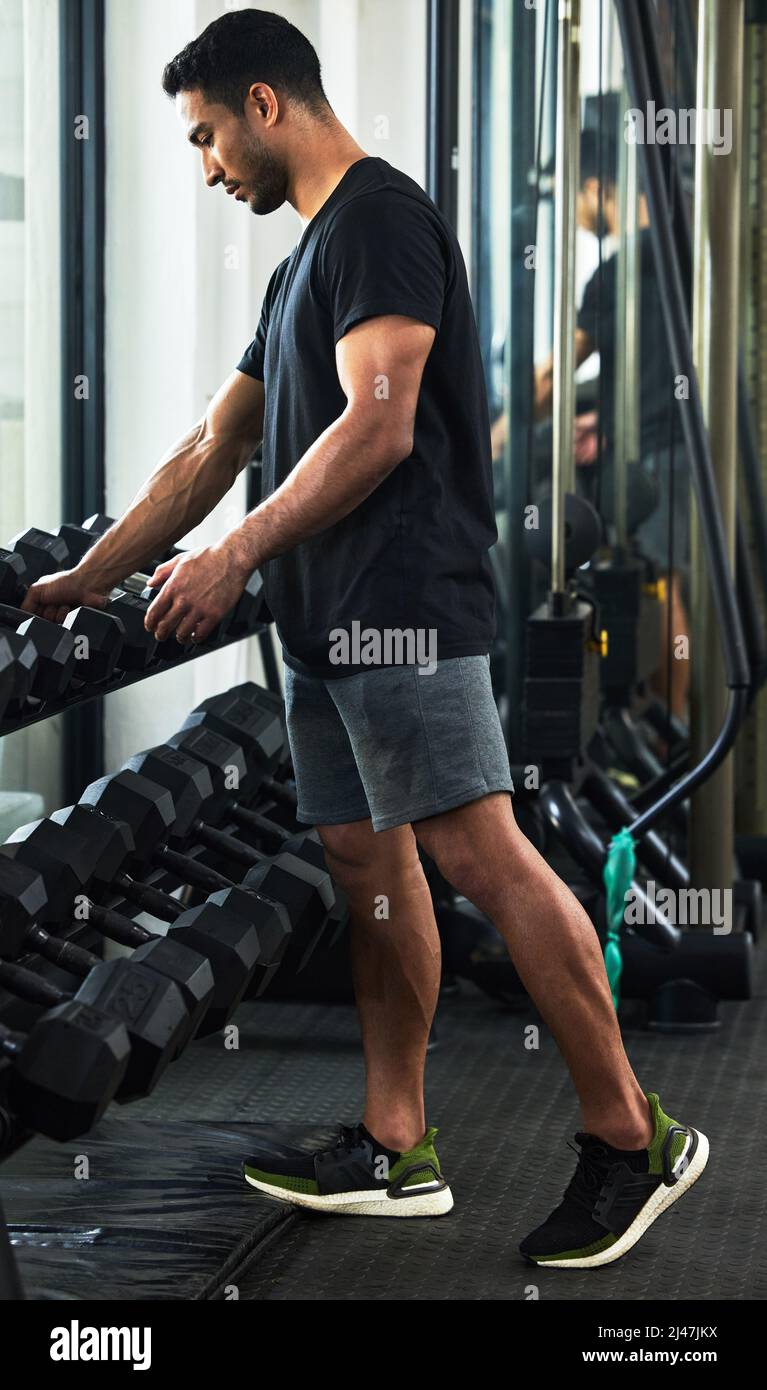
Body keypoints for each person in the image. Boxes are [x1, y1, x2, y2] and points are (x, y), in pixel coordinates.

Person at [22, 9, 706, 1266]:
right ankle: (396, 1145)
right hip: (326, 627)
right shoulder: (301, 269)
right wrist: (85, 577)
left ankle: (630, 1136)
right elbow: (209, 448)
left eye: (208, 137)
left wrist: (233, 554)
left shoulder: (380, 222)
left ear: (265, 106)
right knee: (364, 863)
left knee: (479, 857)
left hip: (404, 610)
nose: (209, 165)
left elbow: (377, 428)